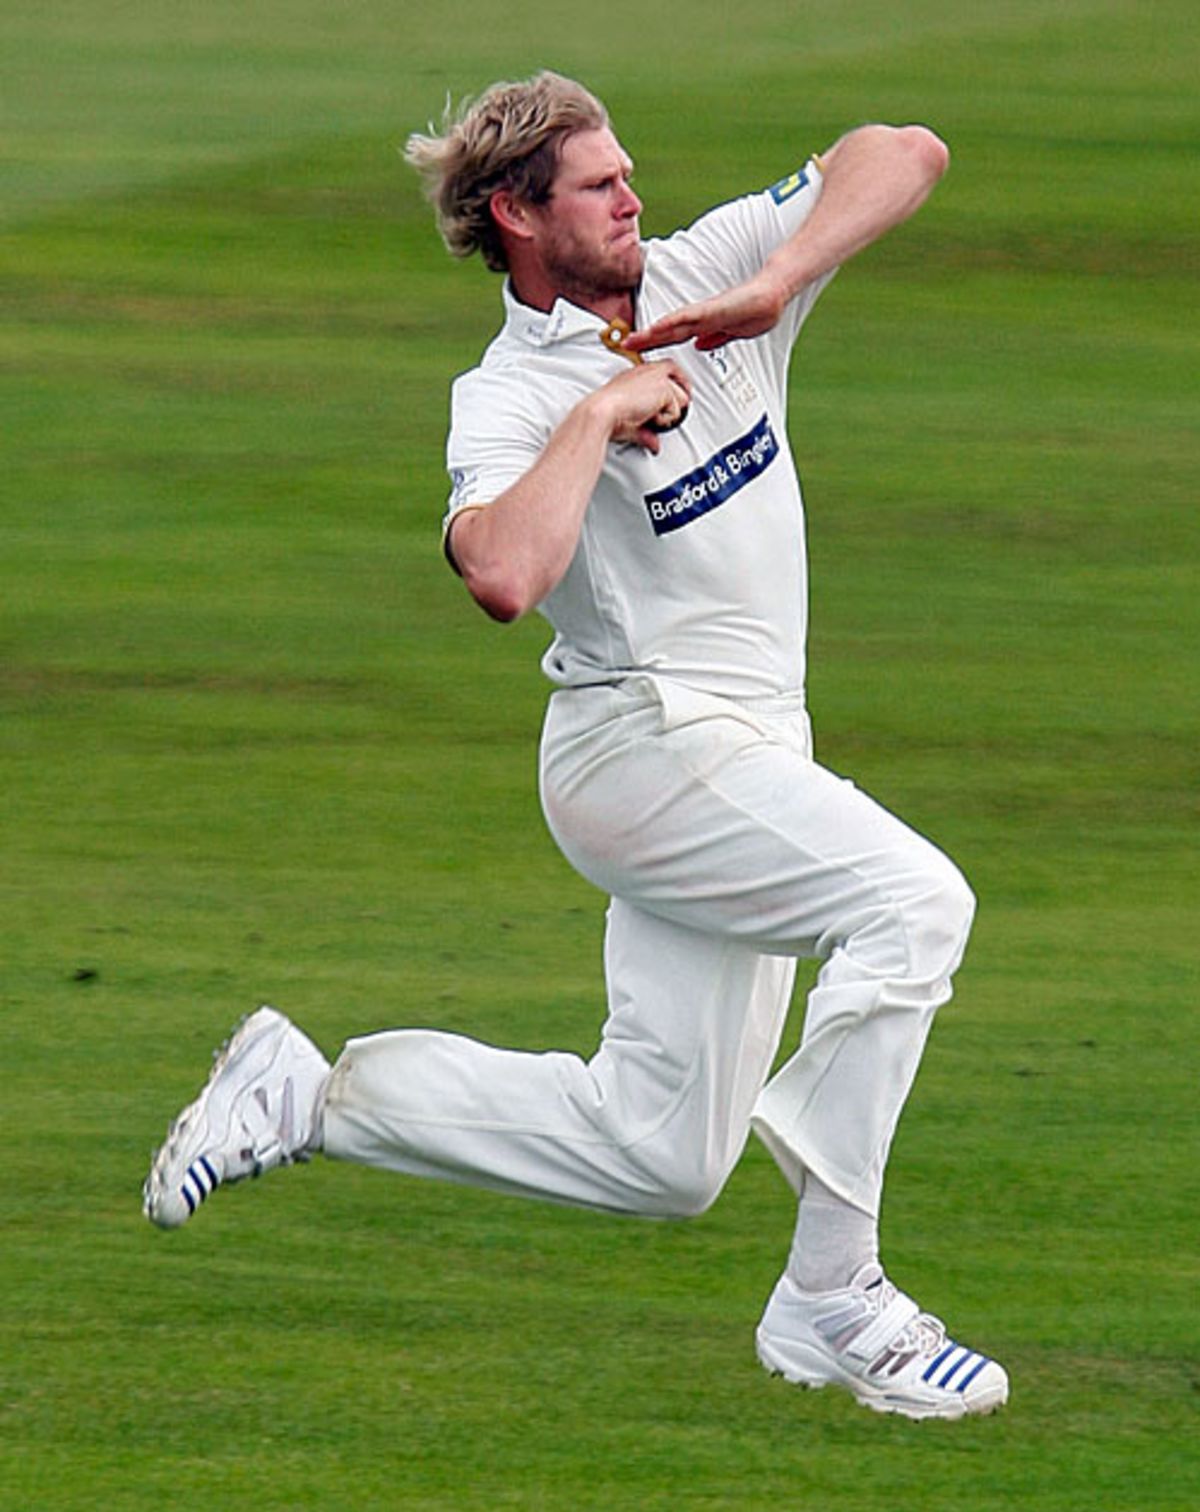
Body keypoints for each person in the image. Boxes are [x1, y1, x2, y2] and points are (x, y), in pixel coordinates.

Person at [143, 72, 1008, 1421]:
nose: (635, 198)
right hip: (641, 750)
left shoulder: (704, 269)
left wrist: (775, 283)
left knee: (664, 1153)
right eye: (603, 186)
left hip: (750, 754)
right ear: (519, 216)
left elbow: (906, 147)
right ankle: (837, 1290)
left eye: (627, 173)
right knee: (919, 904)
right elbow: (499, 570)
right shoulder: (503, 395)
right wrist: (597, 418)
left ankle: (311, 1093)